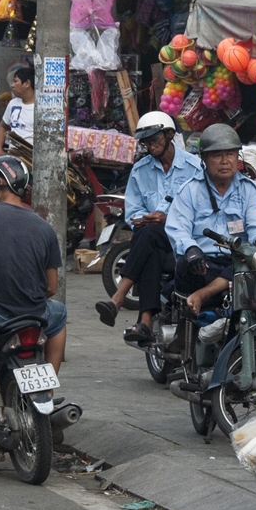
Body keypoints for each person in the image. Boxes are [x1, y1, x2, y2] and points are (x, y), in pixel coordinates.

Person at [95, 110, 203, 341]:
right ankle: (143, 321)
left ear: (170, 135)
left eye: (155, 140)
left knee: (149, 237)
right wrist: (147, 218)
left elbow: (201, 211)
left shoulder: (195, 168)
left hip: (186, 236)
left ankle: (122, 301)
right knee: (148, 238)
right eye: (147, 143)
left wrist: (167, 218)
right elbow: (133, 210)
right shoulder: (141, 169)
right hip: (153, 235)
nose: (151, 147)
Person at [0, 155, 68, 371]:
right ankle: (50, 381)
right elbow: (52, 287)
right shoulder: (45, 228)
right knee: (60, 313)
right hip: (35, 315)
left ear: (0, 183)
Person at [165, 123, 256, 314]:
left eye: (230, 154)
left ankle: (204, 294)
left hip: (236, 264)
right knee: (185, 264)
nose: (224, 161)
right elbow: (178, 228)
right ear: (204, 159)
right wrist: (191, 249)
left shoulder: (249, 189)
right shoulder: (189, 190)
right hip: (202, 265)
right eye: (217, 155)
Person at [0, 65, 35, 156]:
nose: (12, 85)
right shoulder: (13, 104)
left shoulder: (40, 108)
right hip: (13, 158)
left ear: (27, 84)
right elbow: (3, 127)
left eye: (15, 81)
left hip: (30, 159)